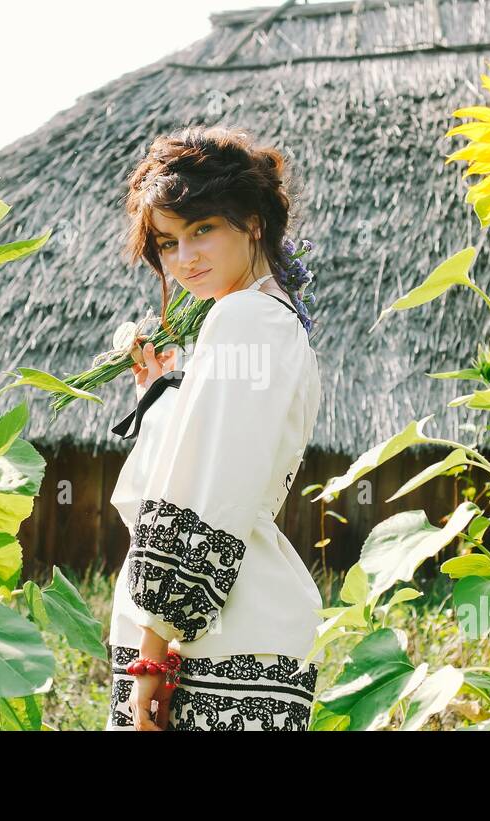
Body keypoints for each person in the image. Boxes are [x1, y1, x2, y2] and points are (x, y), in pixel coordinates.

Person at [104, 125, 323, 731]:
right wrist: (160, 402)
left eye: (203, 229)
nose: (185, 259)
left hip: (205, 646)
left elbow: (200, 495)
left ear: (252, 222)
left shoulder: (242, 320)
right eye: (168, 243)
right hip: (234, 628)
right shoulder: (271, 321)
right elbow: (205, 472)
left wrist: (152, 656)